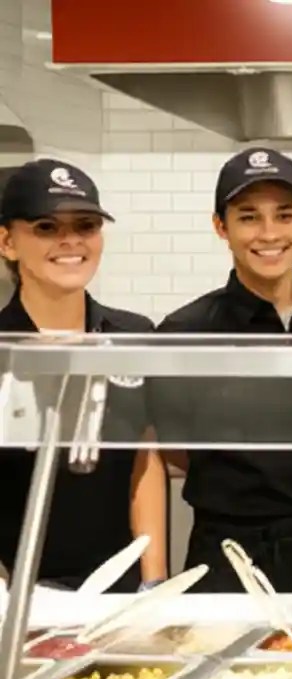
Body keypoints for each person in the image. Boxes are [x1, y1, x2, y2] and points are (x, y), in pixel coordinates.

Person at [148, 147, 292, 593]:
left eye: (284, 215)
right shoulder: (185, 331)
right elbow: (174, 450)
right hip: (226, 553)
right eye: (249, 217)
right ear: (221, 227)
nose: (269, 233)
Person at [0, 159, 167, 592]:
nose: (71, 240)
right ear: (7, 242)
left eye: (86, 225)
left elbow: (143, 461)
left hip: (120, 591)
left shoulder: (132, 336)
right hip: (19, 594)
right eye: (46, 227)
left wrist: (153, 579)